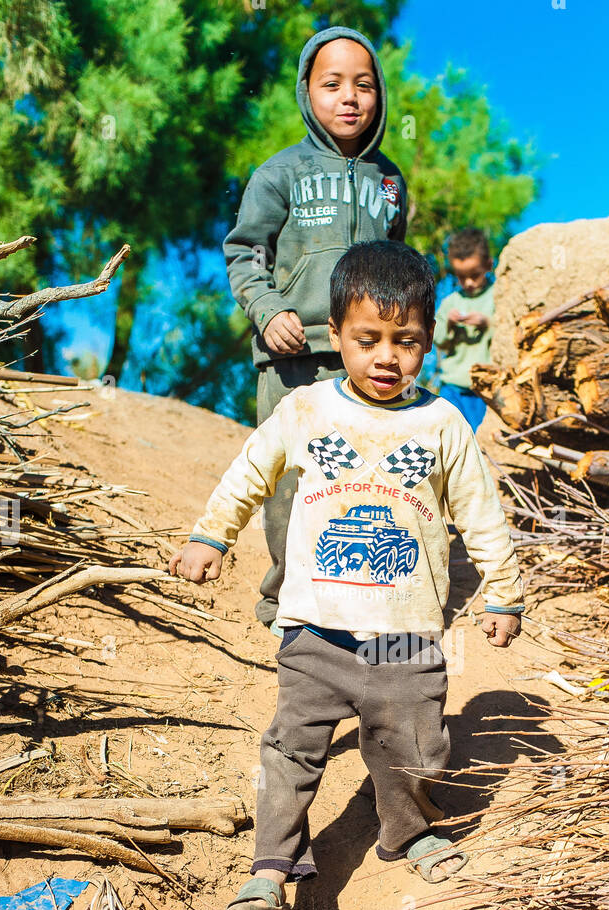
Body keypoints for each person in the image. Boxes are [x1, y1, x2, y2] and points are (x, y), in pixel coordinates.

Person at [170, 241, 523, 910]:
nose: (386, 357)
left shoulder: (441, 423)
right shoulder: (306, 410)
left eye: (407, 341)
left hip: (406, 635)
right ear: (336, 336)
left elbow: (481, 513)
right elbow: (248, 472)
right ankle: (271, 864)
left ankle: (409, 829)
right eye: (368, 340)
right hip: (315, 629)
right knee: (290, 748)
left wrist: (504, 592)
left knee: (416, 747)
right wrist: (209, 535)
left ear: (429, 340)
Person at [223, 25, 408, 633]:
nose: (348, 97)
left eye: (363, 85)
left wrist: (400, 339)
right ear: (307, 91)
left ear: (380, 95)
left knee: (366, 479)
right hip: (294, 357)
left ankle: (359, 595)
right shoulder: (280, 173)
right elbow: (244, 251)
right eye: (332, 84)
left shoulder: (390, 183)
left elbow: (398, 272)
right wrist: (268, 309)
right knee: (290, 481)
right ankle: (287, 599)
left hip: (367, 361)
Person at [432, 227, 495, 433]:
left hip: (486, 389)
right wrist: (448, 324)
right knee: (450, 435)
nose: (468, 282)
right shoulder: (451, 302)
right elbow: (438, 340)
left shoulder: (498, 296)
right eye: (461, 276)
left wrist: (488, 323)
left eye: (474, 275)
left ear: (488, 265)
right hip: (453, 386)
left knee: (480, 441)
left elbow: (510, 333)